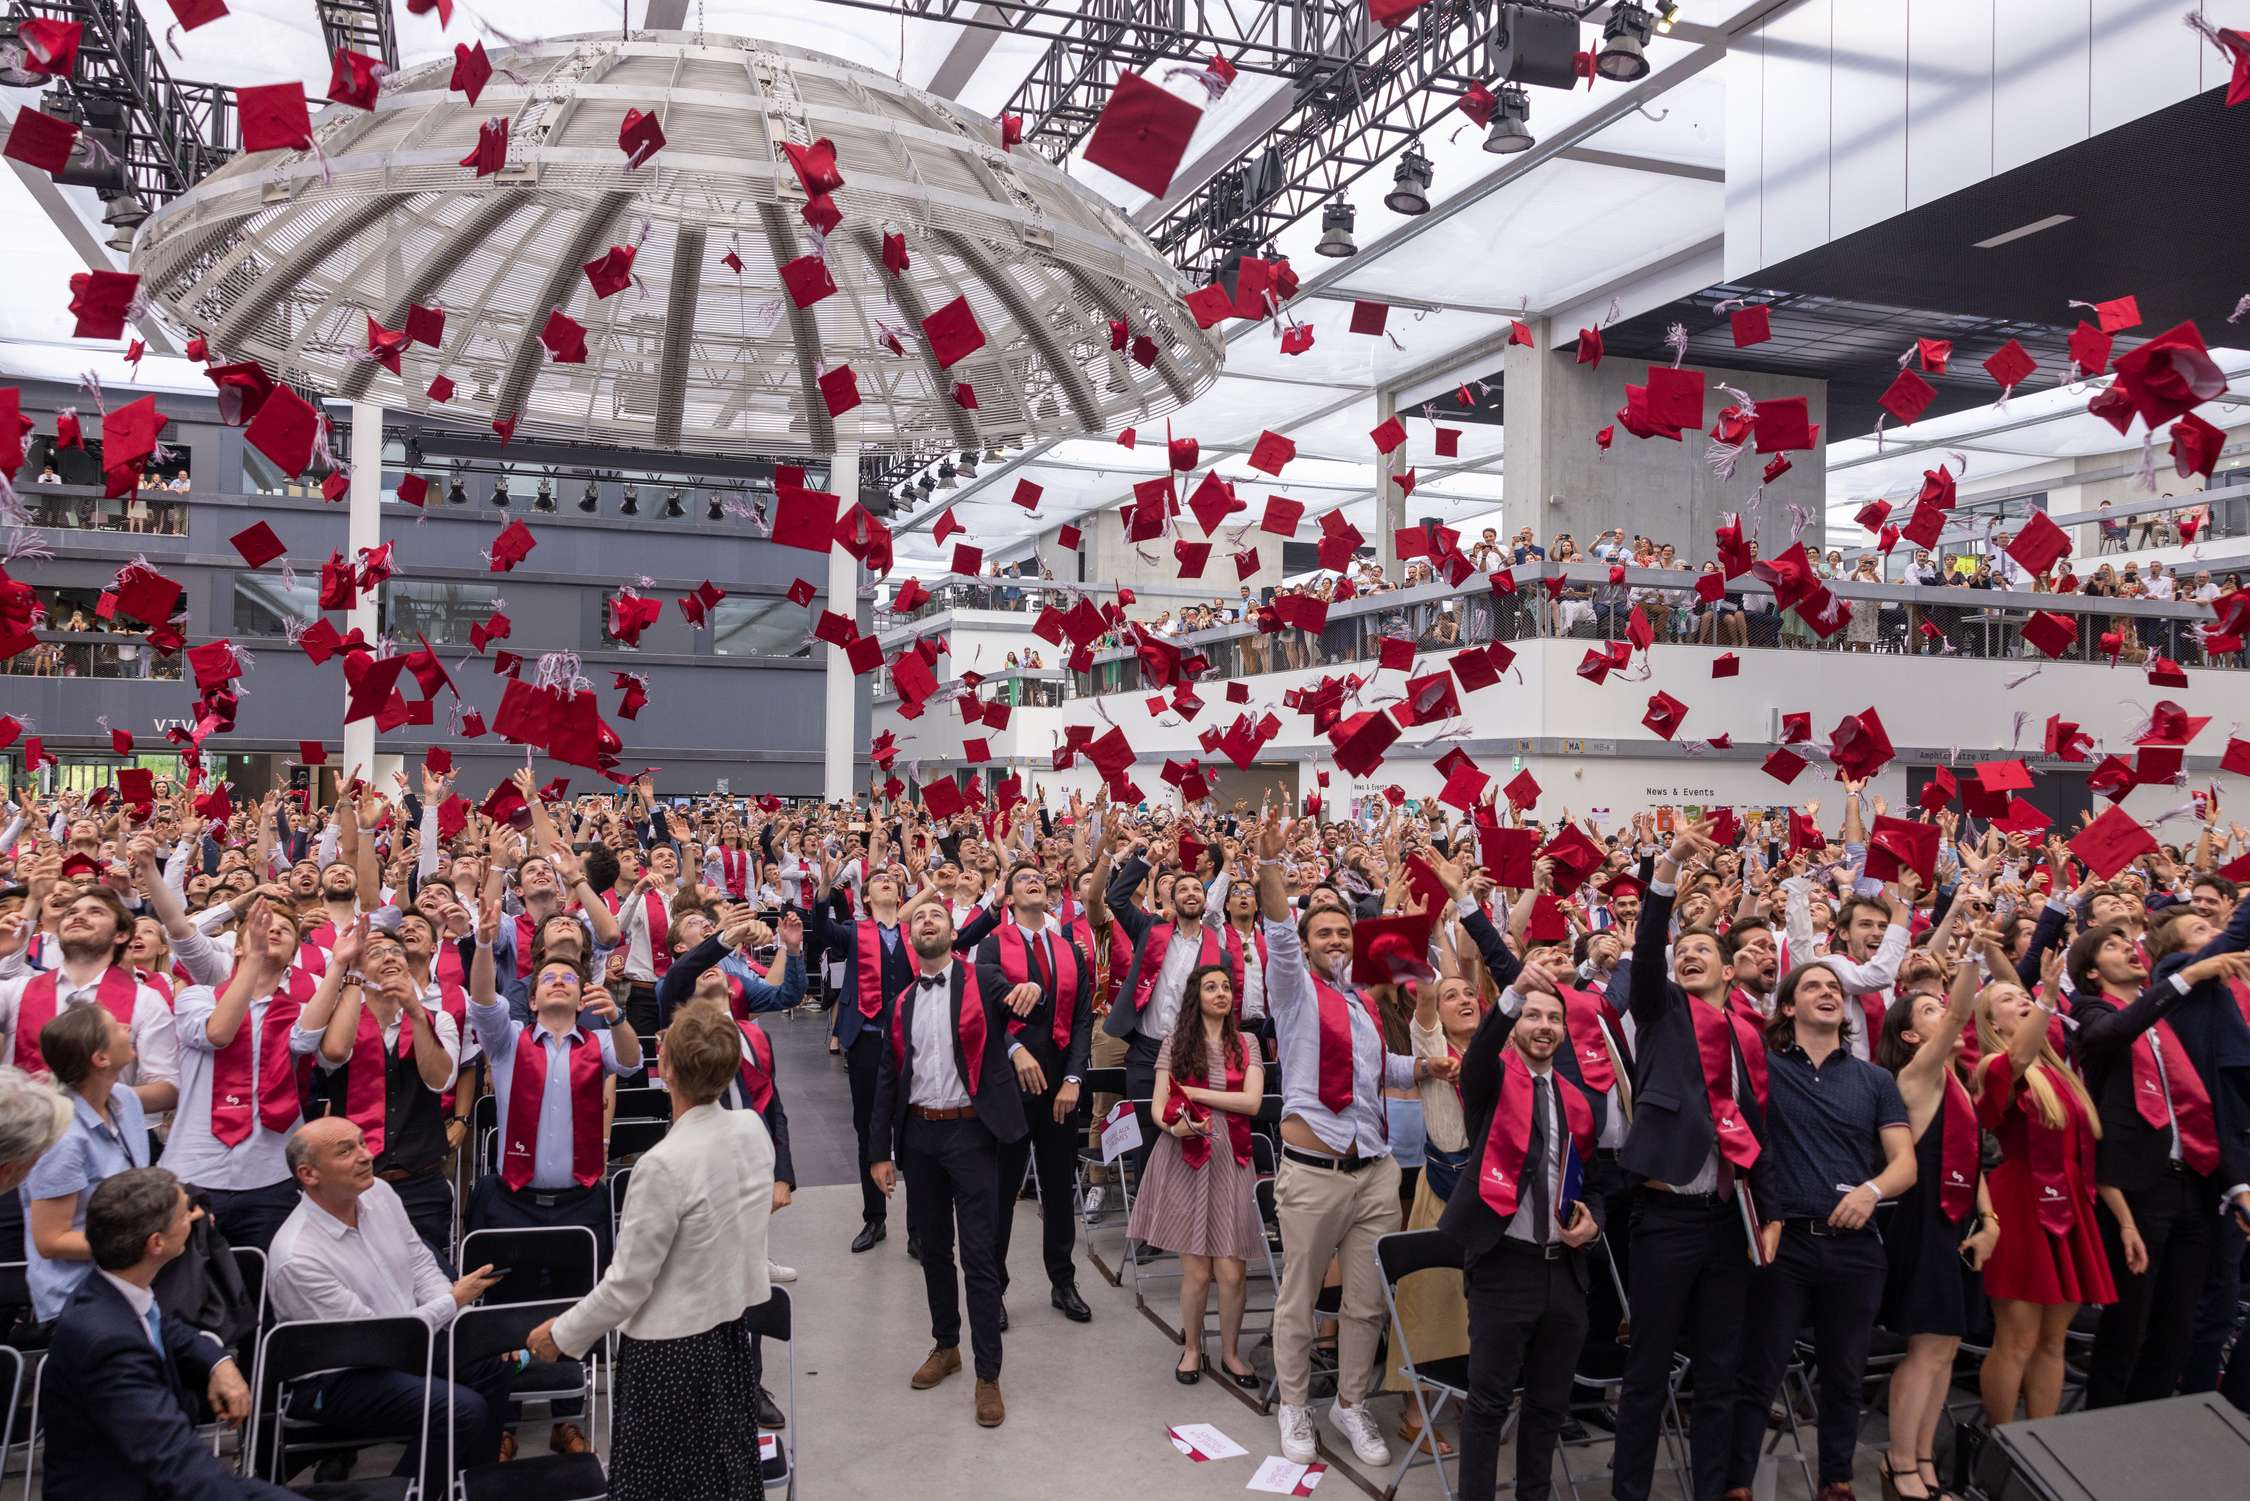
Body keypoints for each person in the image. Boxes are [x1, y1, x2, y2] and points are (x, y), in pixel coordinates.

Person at [1252, 806, 1453, 1468]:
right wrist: (1273, 862)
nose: (1337, 939)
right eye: (1325, 932)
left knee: (1367, 1303)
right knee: (1301, 1300)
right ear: (1309, 944)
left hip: (1373, 1174)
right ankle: (1293, 1406)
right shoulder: (1294, 990)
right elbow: (1278, 928)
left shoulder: (1365, 1003)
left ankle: (1350, 1402)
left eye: (1345, 930)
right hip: (1312, 1173)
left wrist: (1421, 1064)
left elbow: (1377, 1072)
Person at [528, 1000, 777, 1501]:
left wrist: (560, 1333)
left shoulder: (662, 1165)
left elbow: (628, 1285)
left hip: (670, 1356)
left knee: (663, 1485)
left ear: (663, 1068)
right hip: (727, 1338)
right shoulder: (752, 1128)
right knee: (721, 1478)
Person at [1614, 819, 1769, 1501]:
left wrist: (1775, 1215)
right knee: (1646, 1377)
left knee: (1719, 1374)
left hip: (1728, 1219)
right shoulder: (1660, 1010)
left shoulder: (1748, 1037)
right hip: (1665, 1216)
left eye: (1706, 948)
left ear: (1730, 968)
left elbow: (1767, 1132)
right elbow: (1649, 951)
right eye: (1687, 949)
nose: (1691, 955)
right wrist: (1667, 873)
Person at [1725, 964, 1916, 1501]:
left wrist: (1872, 1191)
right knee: (1759, 1373)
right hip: (1783, 1242)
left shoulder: (1874, 1079)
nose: (1828, 993)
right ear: (1787, 1007)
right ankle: (1736, 1484)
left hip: (1855, 1247)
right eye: (1813, 986)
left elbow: (1904, 1164)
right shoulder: (1763, 1065)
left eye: (1835, 987)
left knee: (1845, 1376)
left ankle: (1836, 1481)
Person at [266, 1117, 512, 1490]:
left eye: (363, 1143)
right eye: (346, 1151)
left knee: (490, 1365)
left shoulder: (378, 1193)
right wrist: (453, 1300)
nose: (366, 1156)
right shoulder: (297, 1256)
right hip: (340, 1376)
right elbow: (378, 1340)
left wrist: (452, 1309)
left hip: (405, 1338)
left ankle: (472, 1487)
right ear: (309, 1174)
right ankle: (409, 1492)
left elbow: (419, 1262)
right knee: (460, 1409)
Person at [1441, 956, 1605, 1501]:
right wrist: (1512, 992)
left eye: (1553, 1018)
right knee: (1488, 1405)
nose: (1543, 1026)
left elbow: (1595, 1185)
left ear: (1564, 1030)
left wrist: (1593, 1223)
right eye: (1532, 1016)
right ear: (1516, 1024)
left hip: (1565, 1273)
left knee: (1548, 1405)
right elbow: (1480, 1054)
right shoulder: (1490, 1083)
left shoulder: (1578, 1102)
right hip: (1504, 1264)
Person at [2072, 916, 2250, 1410]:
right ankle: (2103, 1429)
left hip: (2191, 1181)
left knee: (2178, 1322)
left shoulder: (2169, 1020)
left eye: (2130, 942)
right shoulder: (2090, 1009)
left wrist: (2236, 1187)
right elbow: (2112, 1033)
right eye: (2111, 945)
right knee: (2129, 1321)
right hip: (2135, 1187)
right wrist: (2188, 976)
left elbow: (2201, 1104)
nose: (2128, 948)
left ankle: (2151, 1428)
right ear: (2091, 971)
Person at [40, 1166, 293, 1501]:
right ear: (156, 1243)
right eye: (184, 1213)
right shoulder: (108, 1343)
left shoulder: (112, 1293)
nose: (197, 1216)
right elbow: (172, 1458)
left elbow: (168, 1328)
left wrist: (219, 1363)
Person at [870, 898, 1029, 1428]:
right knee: (934, 1250)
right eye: (919, 918)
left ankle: (989, 1374)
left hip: (971, 1132)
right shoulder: (902, 1002)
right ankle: (947, 1345)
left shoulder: (982, 978)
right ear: (911, 935)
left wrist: (1031, 992)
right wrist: (879, 1153)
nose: (928, 921)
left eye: (936, 915)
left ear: (952, 928)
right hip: (919, 1135)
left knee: (979, 1256)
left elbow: (1017, 1000)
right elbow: (889, 1080)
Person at [466, 878, 642, 1286]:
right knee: (511, 1302)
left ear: (583, 997)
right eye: (548, 979)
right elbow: (482, 1001)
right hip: (514, 1201)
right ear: (531, 1000)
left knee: (579, 1303)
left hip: (580, 1200)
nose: (559, 982)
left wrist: (616, 1016)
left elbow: (631, 1062)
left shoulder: (598, 1042)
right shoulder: (509, 1040)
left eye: (568, 979)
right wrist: (486, 945)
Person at [1875, 935, 1998, 1501]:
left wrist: (1990, 1220)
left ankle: (1925, 1459)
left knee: (1946, 1349)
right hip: (1922, 1226)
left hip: (1959, 1228)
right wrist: (1971, 957)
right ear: (1910, 1036)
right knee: (1924, 1350)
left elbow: (1972, 1162)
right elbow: (1957, 1014)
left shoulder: (1958, 1084)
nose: (1940, 1011)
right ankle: (1898, 1461)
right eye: (1925, 1010)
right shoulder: (1914, 1080)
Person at [1973, 961, 2113, 1428]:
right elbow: (2016, 1060)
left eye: (2024, 997)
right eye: (2008, 999)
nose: (2023, 1001)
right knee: (2017, 1339)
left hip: (2071, 1202)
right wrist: (2048, 998)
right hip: (2020, 1202)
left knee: (2054, 1340)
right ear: (1991, 1023)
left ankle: (2041, 1443)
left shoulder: (2061, 1074)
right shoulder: (1995, 1065)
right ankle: (2000, 1444)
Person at [159, 899, 324, 1252]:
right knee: (187, 1288)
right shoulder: (198, 997)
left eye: (286, 927)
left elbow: (315, 1045)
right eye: (264, 924)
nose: (274, 928)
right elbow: (219, 1033)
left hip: (271, 1176)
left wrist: (341, 963)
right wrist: (253, 958)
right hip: (192, 1171)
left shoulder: (301, 1011)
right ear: (236, 946)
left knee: (261, 1289)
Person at [1127, 962, 1265, 1386]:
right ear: (1196, 997)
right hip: (1185, 1154)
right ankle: (1191, 1348)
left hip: (1232, 1159)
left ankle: (1229, 1353)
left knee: (1232, 1271)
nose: (1221, 993)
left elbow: (1253, 1104)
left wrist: (1194, 1094)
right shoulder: (1175, 1043)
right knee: (1198, 1271)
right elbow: (1157, 1106)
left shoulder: (1248, 1043)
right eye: (1211, 987)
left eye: (1226, 987)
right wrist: (1174, 1125)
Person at [294, 919, 462, 1264]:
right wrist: (352, 975)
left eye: (394, 951)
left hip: (419, 1182)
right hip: (352, 1184)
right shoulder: (344, 1017)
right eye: (374, 952)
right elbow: (334, 1054)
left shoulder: (436, 1018)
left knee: (427, 1276)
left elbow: (439, 1080)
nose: (388, 957)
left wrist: (416, 1013)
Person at [976, 861, 1096, 1325]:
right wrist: (1012, 1049)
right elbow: (980, 1012)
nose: (1034, 881)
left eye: (1039, 879)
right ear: (1007, 899)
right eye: (1023, 878)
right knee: (1002, 1190)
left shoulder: (1069, 950)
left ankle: (1062, 1282)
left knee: (1060, 1187)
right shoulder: (991, 947)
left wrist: (1073, 1079)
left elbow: (1083, 1019)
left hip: (1060, 1086)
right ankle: (996, 1288)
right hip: (1010, 1086)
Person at [23, 1003, 150, 1326]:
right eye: (115, 1027)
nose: (126, 1025)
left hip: (131, 1286)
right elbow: (51, 1241)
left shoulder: (127, 1100)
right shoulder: (62, 1137)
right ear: (101, 1059)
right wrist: (143, 1242)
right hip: (77, 1301)